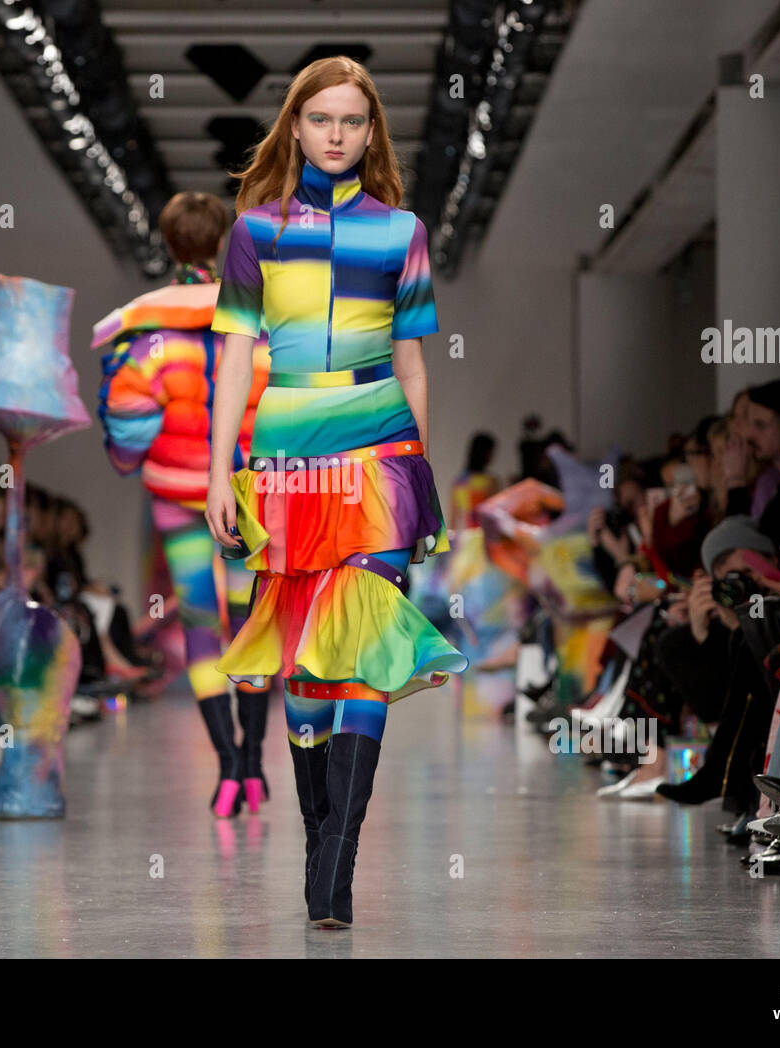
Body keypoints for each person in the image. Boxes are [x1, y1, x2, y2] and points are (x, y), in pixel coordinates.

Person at [204, 55, 469, 928]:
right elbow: (235, 355)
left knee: (366, 652)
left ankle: (339, 855)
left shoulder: (402, 232)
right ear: (295, 126)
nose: (338, 135)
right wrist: (217, 475)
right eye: (322, 120)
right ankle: (321, 829)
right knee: (306, 665)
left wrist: (419, 471)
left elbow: (411, 358)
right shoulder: (253, 233)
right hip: (284, 461)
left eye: (354, 121)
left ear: (371, 132)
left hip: (380, 453)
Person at [93, 188, 275, 818]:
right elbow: (283, 408)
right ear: (222, 239)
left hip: (177, 498)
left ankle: (226, 768)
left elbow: (126, 424)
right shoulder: (257, 323)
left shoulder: (144, 333)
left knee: (202, 628)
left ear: (168, 243)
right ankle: (253, 764)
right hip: (250, 497)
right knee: (251, 626)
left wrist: (128, 460)